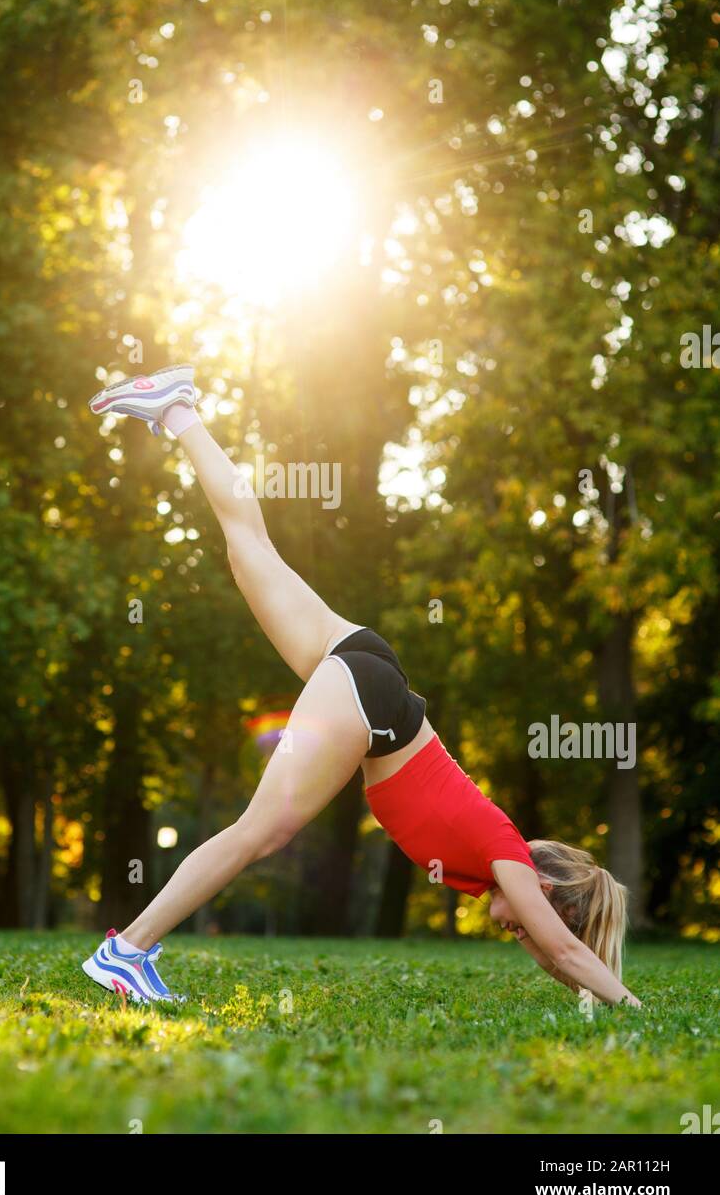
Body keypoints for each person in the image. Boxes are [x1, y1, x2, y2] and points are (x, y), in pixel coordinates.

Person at [81, 364, 642, 1010]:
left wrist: (588, 993)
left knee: (248, 548)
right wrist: (631, 1007)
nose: (526, 936)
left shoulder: (503, 866)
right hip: (371, 700)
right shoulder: (509, 859)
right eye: (538, 922)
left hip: (364, 670)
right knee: (261, 832)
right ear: (544, 893)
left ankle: (177, 412)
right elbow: (566, 950)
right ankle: (127, 951)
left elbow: (558, 957)